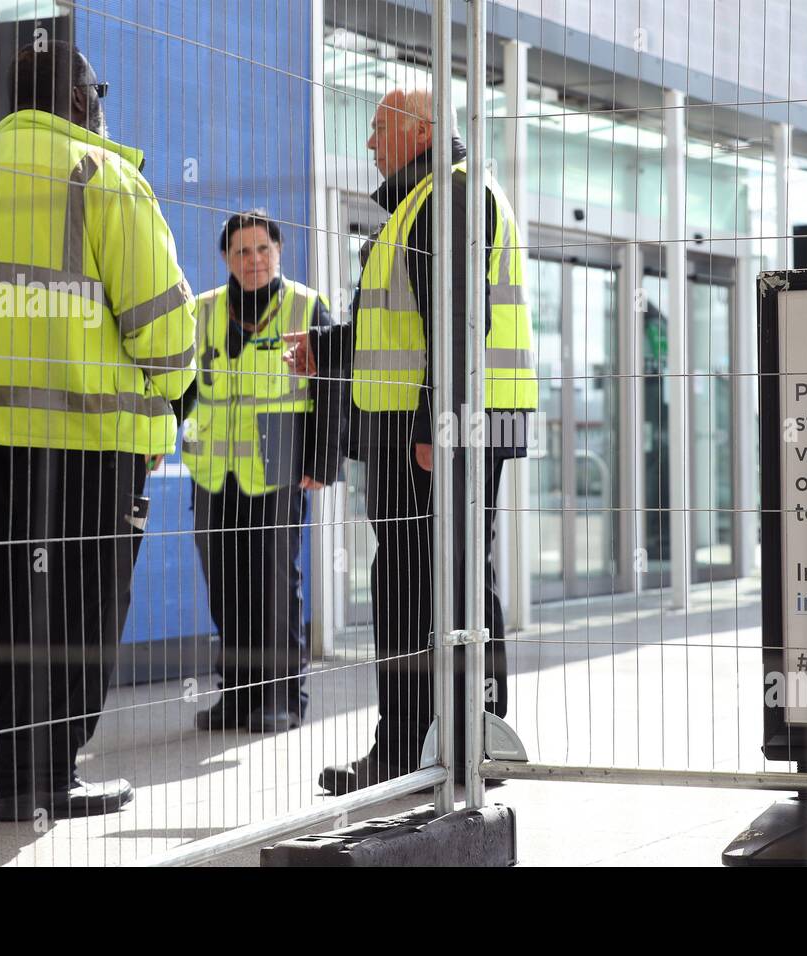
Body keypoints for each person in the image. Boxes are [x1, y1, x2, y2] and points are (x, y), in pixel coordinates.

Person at [0, 41, 196, 820]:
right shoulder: (106, 180)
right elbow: (163, 330)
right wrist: (177, 388)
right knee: (82, 607)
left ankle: (16, 760)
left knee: (1, 601)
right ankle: (48, 770)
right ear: (83, 98)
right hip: (87, 443)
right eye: (101, 91)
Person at [284, 88, 537, 793]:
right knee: (430, 586)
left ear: (421, 131)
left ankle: (438, 747)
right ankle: (439, 744)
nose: (368, 145)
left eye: (377, 130)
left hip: (433, 437)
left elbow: (460, 321)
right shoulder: (424, 199)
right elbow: (403, 325)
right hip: (424, 434)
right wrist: (326, 349)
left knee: (422, 588)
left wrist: (437, 428)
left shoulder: (449, 195)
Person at [177, 211, 346, 733]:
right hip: (212, 469)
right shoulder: (201, 311)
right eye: (242, 252)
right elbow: (181, 384)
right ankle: (237, 696)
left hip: (278, 459)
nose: (254, 261)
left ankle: (283, 698)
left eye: (263, 250)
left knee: (272, 584)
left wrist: (323, 459)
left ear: (279, 253)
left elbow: (331, 387)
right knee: (225, 584)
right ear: (226, 258)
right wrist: (154, 439)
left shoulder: (304, 304)